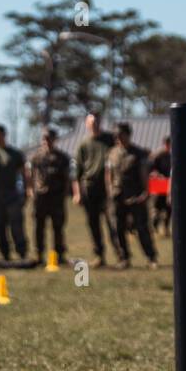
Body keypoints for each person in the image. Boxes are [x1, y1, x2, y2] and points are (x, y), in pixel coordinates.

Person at [105, 123, 157, 269]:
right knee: (118, 228)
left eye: (121, 134)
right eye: (116, 135)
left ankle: (151, 257)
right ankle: (124, 258)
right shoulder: (112, 153)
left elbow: (144, 175)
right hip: (117, 196)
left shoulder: (138, 153)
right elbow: (108, 174)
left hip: (135, 196)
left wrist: (146, 193)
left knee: (141, 228)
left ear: (128, 135)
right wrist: (110, 191)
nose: (118, 138)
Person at [73, 112, 118, 267]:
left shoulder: (110, 140)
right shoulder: (83, 145)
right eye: (91, 122)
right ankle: (99, 256)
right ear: (87, 124)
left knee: (113, 223)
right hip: (89, 189)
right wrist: (77, 193)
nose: (94, 125)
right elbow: (77, 172)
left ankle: (121, 255)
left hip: (107, 189)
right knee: (94, 224)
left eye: (97, 122)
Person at [28, 127, 72, 264]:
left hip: (56, 197)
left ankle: (59, 255)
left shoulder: (62, 158)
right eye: (44, 139)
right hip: (40, 197)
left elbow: (67, 178)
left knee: (58, 227)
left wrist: (64, 194)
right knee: (39, 227)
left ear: (54, 139)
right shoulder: (36, 157)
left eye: (49, 138)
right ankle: (39, 254)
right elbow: (30, 175)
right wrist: (30, 190)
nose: (47, 141)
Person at [0, 125, 28, 261]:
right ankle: (5, 254)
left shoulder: (15, 154)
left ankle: (22, 253)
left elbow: (24, 173)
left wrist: (26, 192)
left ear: (4, 135)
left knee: (16, 226)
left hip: (12, 195)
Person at [149, 136, 172, 236]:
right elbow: (150, 168)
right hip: (158, 183)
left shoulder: (173, 155)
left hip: (169, 184)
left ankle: (165, 228)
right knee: (156, 207)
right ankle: (155, 227)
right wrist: (157, 174)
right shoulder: (157, 155)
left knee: (168, 207)